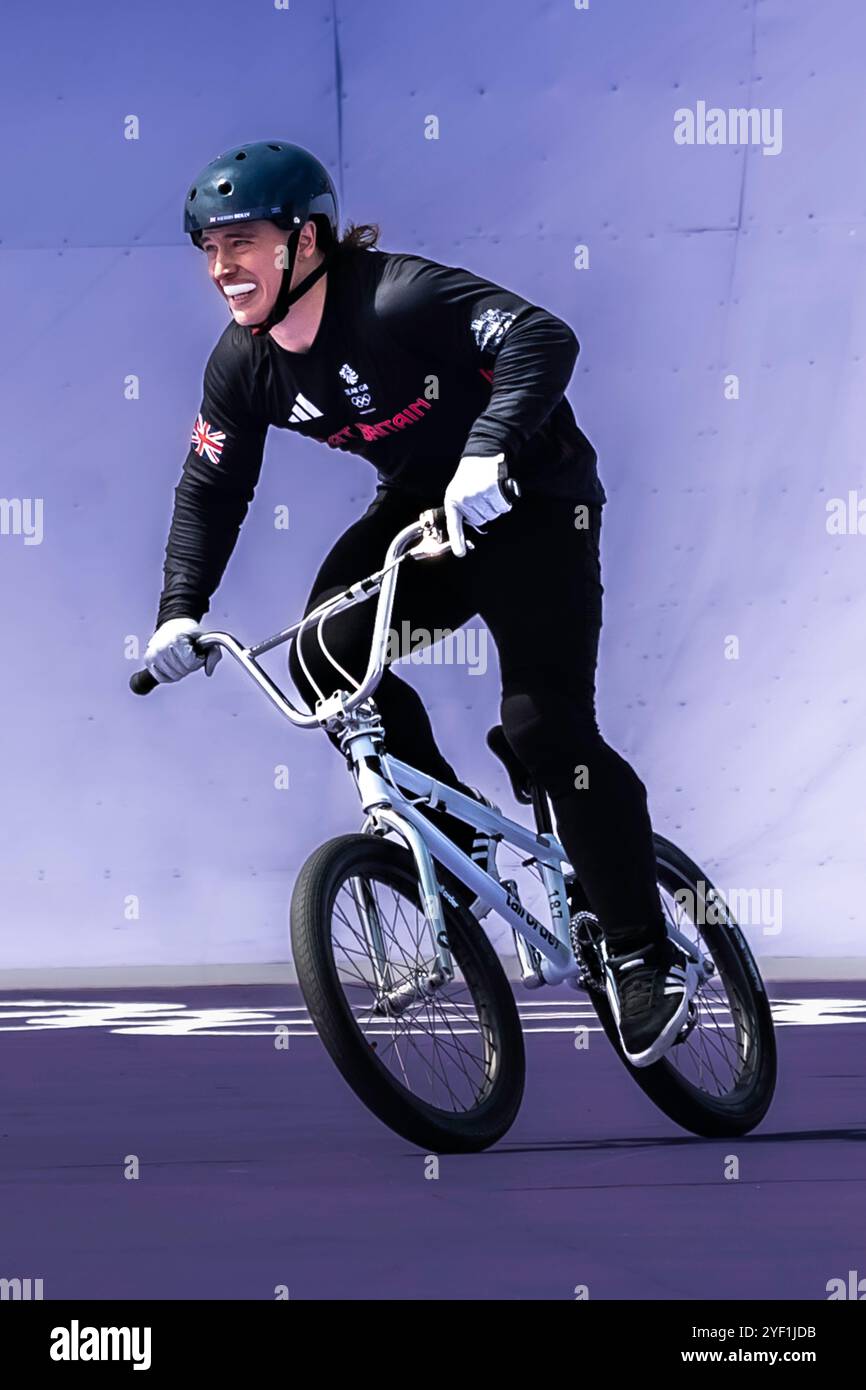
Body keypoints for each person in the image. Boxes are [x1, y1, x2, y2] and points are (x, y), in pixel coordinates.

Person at [143, 140, 697, 1068]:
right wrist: (178, 609)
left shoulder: (394, 297)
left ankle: (645, 957)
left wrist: (489, 448)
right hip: (423, 515)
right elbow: (210, 489)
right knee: (322, 656)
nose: (221, 267)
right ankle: (457, 830)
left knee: (544, 727)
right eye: (208, 247)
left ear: (306, 239)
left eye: (241, 241)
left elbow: (541, 337)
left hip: (535, 501)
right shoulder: (243, 367)